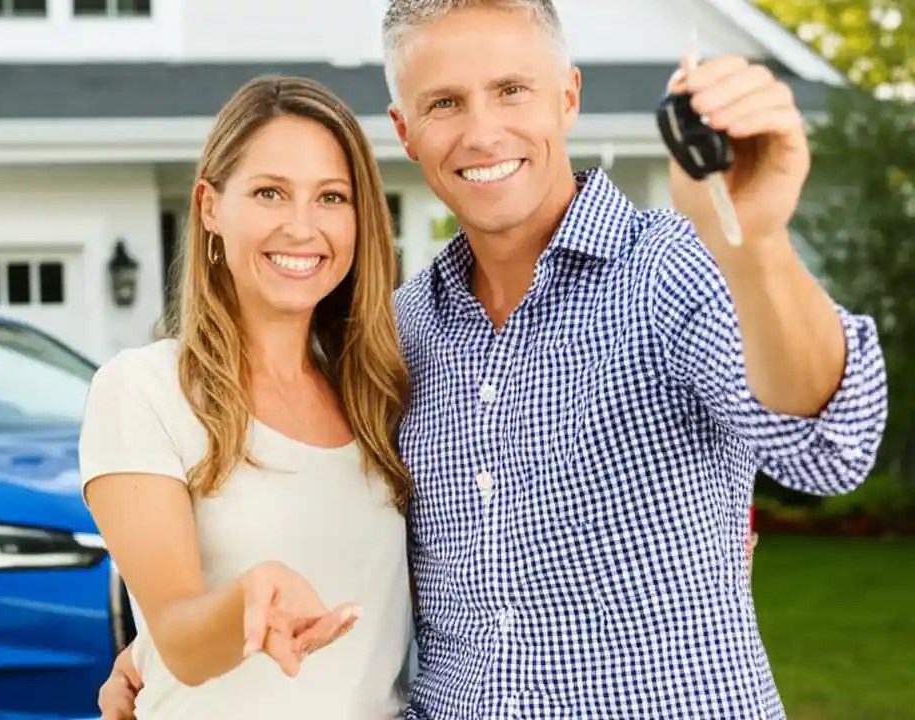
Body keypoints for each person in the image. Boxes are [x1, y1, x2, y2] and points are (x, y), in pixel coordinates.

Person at [97, 1, 889, 718]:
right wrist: (163, 648)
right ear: (406, 131)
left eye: (512, 90)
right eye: (445, 103)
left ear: (567, 98)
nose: (482, 132)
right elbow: (371, 554)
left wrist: (758, 244)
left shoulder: (676, 269)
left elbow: (828, 443)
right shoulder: (401, 337)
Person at [79, 75, 416, 719]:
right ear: (209, 206)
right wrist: (248, 602)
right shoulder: (144, 389)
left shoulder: (383, 393)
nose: (301, 226)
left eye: (331, 197)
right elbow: (177, 636)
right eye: (269, 193)